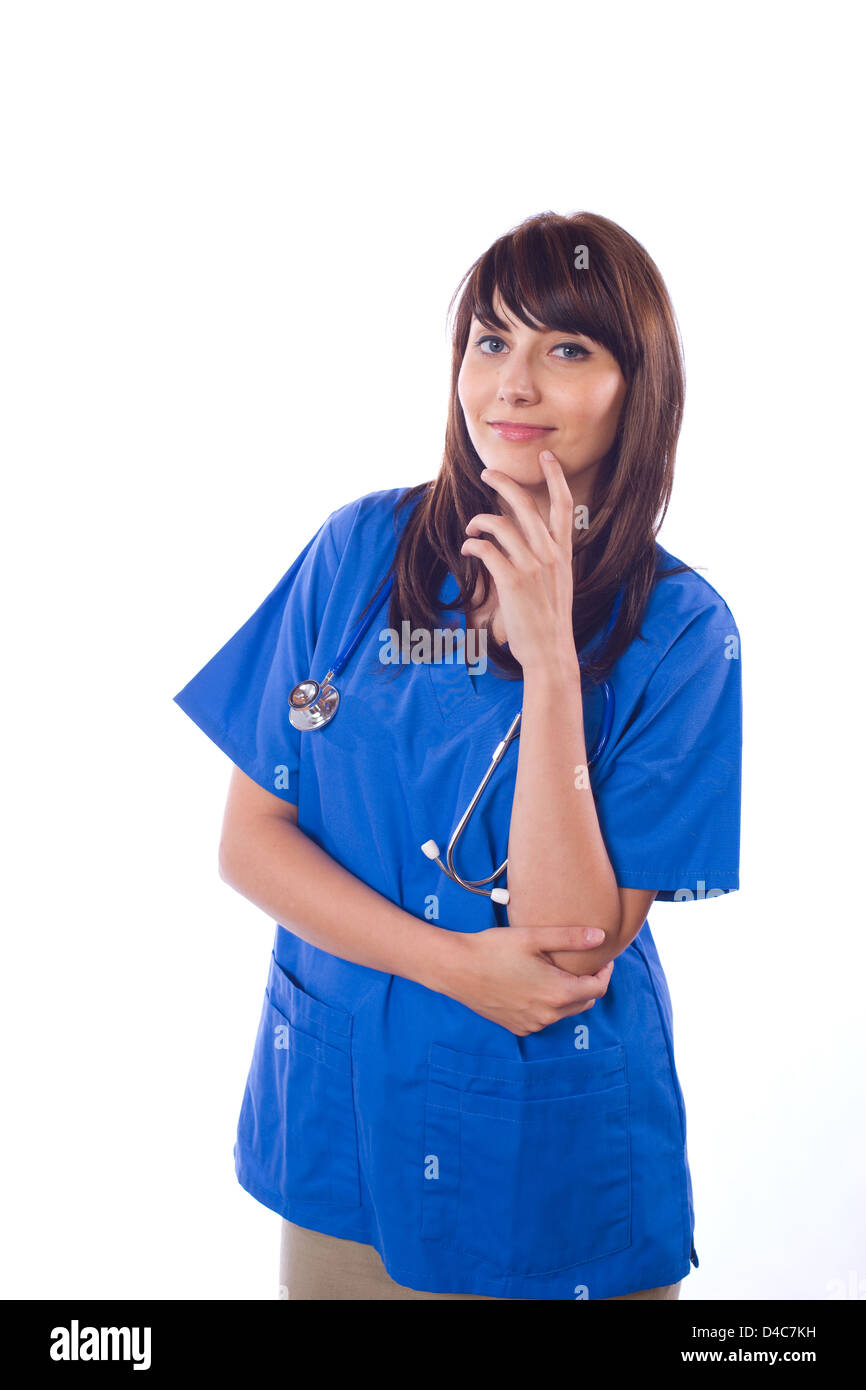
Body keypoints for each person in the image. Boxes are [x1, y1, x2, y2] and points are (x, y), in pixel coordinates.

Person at [173, 210, 742, 1300]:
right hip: (344, 1117)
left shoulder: (682, 634)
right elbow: (250, 839)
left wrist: (551, 665)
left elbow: (567, 945)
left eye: (564, 349)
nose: (511, 385)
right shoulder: (355, 556)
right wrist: (448, 964)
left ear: (638, 387)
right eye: (489, 341)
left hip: (550, 1150)